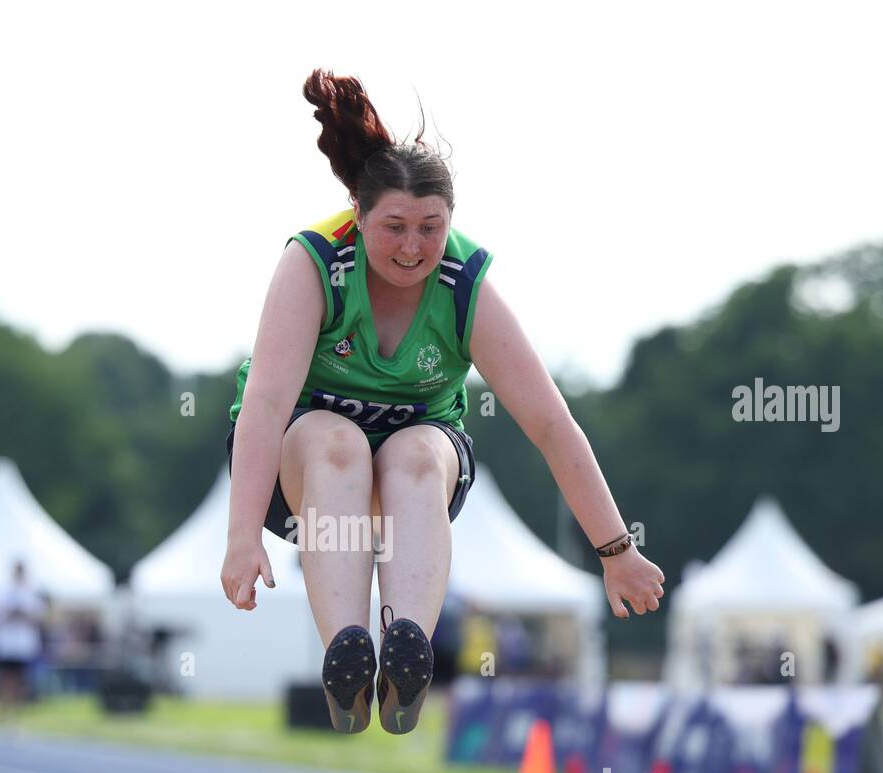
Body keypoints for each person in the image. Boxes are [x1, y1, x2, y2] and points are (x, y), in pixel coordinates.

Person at [221, 69, 665, 735]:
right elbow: (263, 405)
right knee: (338, 439)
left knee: (414, 453)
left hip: (415, 483)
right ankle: (347, 654)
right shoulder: (314, 263)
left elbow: (550, 423)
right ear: (359, 216)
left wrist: (616, 549)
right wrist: (240, 536)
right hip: (303, 473)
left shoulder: (463, 285)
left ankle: (406, 653)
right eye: (394, 226)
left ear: (450, 222)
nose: (413, 248)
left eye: (431, 228)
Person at [0, 561, 45, 719]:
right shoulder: (5, 592)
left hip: (21, 646)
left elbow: (37, 617)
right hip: (6, 645)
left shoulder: (30, 593)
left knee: (19, 680)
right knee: (4, 679)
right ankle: (0, 712)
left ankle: (13, 714)